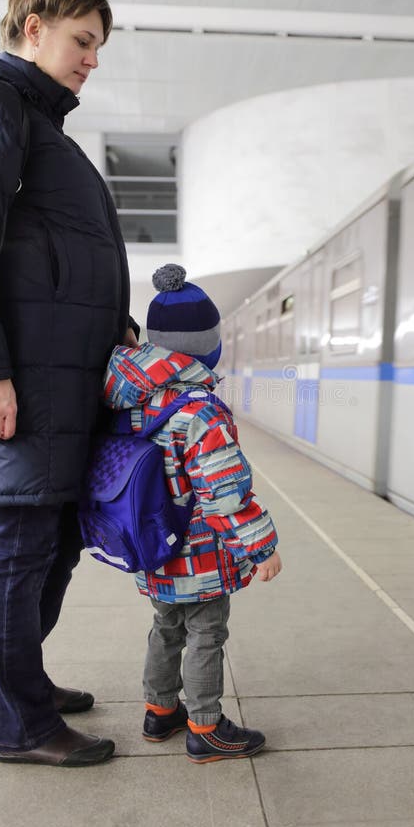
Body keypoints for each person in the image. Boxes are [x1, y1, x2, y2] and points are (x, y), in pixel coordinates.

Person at [0, 0, 139, 766]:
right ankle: (18, 723)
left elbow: (46, 252)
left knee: (54, 540)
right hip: (22, 375)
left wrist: (117, 326)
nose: (92, 59)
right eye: (82, 40)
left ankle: (23, 680)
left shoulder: (38, 120)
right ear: (32, 26)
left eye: (99, 46)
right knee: (23, 543)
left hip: (61, 374)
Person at [103, 264, 282, 763]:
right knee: (207, 631)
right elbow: (225, 492)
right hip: (199, 550)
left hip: (149, 543)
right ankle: (206, 727)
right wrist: (261, 546)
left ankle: (159, 712)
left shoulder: (127, 400)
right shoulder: (201, 410)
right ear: (209, 347)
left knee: (165, 625)